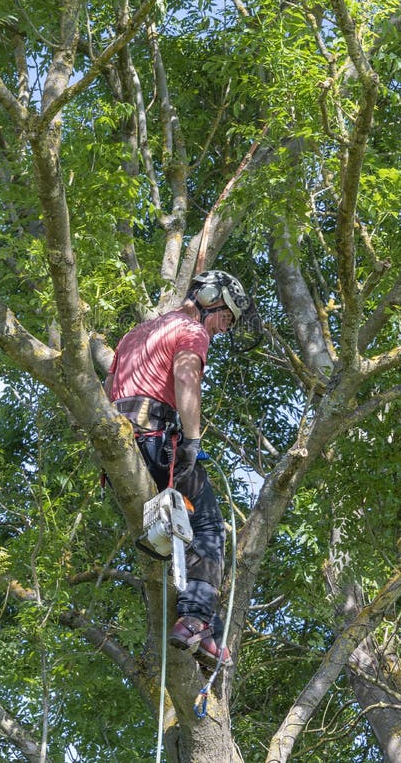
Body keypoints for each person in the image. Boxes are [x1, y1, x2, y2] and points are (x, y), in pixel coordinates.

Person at [105, 270, 256, 667]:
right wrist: (191, 441)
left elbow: (108, 393)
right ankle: (194, 620)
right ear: (211, 300)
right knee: (208, 525)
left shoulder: (136, 334)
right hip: (158, 441)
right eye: (226, 319)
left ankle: (208, 627)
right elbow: (186, 378)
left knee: (184, 531)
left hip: (123, 444)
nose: (222, 331)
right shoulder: (192, 331)